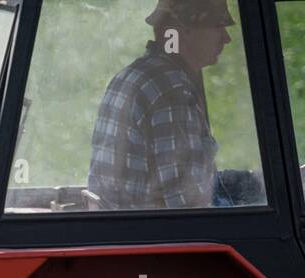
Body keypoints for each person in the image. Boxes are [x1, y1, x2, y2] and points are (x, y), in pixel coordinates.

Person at [88, 0, 248, 210]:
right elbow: (186, 204)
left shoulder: (134, 75)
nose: (226, 38)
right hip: (151, 235)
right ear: (184, 31)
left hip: (121, 229)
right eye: (218, 26)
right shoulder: (171, 91)